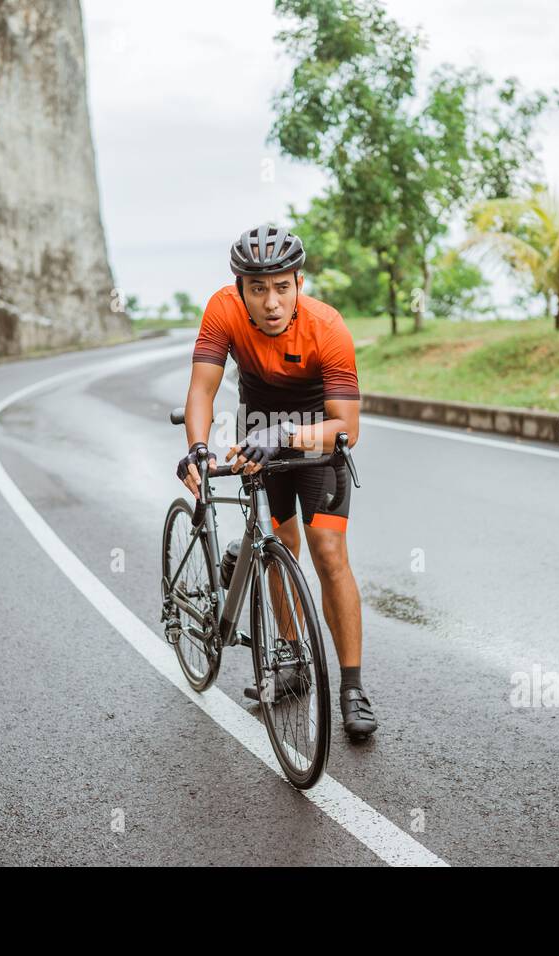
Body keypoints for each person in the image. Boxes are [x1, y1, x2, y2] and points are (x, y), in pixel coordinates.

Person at [175, 223, 377, 740]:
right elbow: (203, 389)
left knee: (329, 552)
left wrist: (287, 436)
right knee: (279, 543)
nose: (271, 301)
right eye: (258, 288)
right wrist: (197, 448)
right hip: (257, 423)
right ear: (240, 290)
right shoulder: (222, 310)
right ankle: (289, 657)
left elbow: (346, 428)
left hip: (316, 431)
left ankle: (352, 687)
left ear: (299, 284)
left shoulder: (327, 327)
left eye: (282, 287)